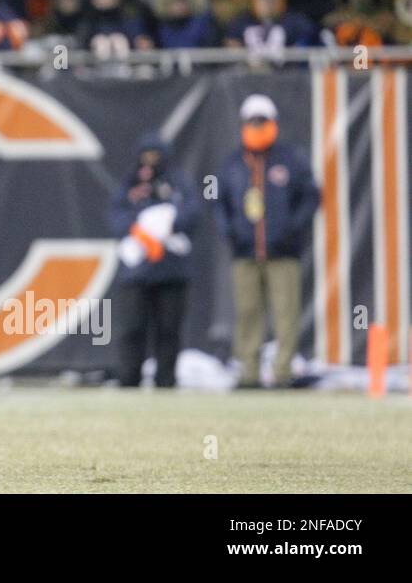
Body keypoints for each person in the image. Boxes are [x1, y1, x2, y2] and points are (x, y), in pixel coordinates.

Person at [215, 94, 320, 388]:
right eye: (253, 121)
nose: (258, 126)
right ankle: (248, 371)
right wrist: (232, 233)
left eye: (263, 121)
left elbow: (311, 196)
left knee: (286, 312)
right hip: (245, 252)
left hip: (283, 252)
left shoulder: (290, 159)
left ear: (273, 123)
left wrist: (292, 230)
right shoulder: (234, 163)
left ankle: (283, 370)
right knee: (247, 312)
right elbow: (219, 202)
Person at [109, 134, 200, 387]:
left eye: (154, 158)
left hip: (171, 271)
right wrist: (139, 231)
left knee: (169, 330)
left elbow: (193, 213)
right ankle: (129, 380)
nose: (149, 165)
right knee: (132, 329)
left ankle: (166, 381)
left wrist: (167, 224)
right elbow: (115, 216)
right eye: (144, 159)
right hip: (137, 273)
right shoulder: (130, 185)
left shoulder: (179, 182)